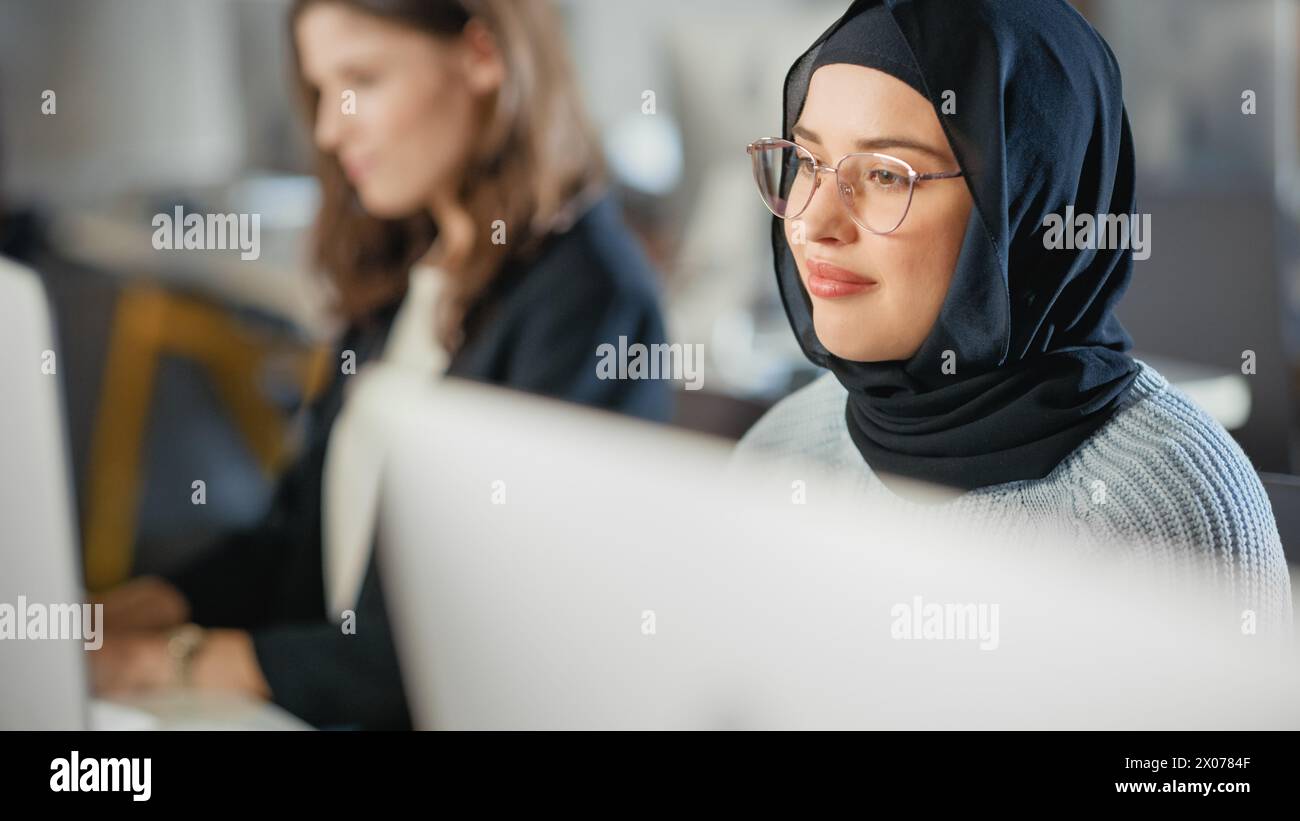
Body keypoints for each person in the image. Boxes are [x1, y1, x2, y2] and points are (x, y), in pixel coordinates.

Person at [90, 0, 672, 729]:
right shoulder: (406, 270)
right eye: (322, 91)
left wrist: (168, 659)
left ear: (483, 56)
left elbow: (456, 642)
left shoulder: (590, 303)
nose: (332, 129)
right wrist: (132, 610)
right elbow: (295, 540)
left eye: (361, 80)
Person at [734, 0, 1292, 634]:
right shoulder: (782, 451)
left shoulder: (1165, 507)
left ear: (1028, 203)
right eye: (807, 163)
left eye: (887, 175)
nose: (812, 223)